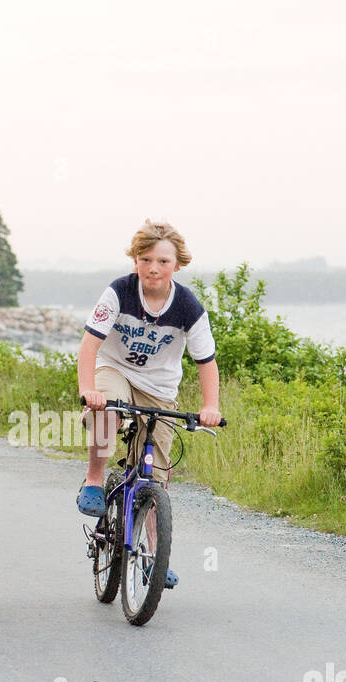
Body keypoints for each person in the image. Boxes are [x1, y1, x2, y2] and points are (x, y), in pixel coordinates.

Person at [76, 220, 223, 588]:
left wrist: (211, 406)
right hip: (115, 370)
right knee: (108, 413)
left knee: (155, 478)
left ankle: (154, 559)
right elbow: (90, 345)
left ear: (177, 265)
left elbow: (206, 362)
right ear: (135, 261)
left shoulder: (188, 306)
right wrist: (88, 389)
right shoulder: (119, 292)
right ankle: (94, 480)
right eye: (146, 260)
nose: (153, 268)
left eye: (162, 261)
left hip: (159, 387)